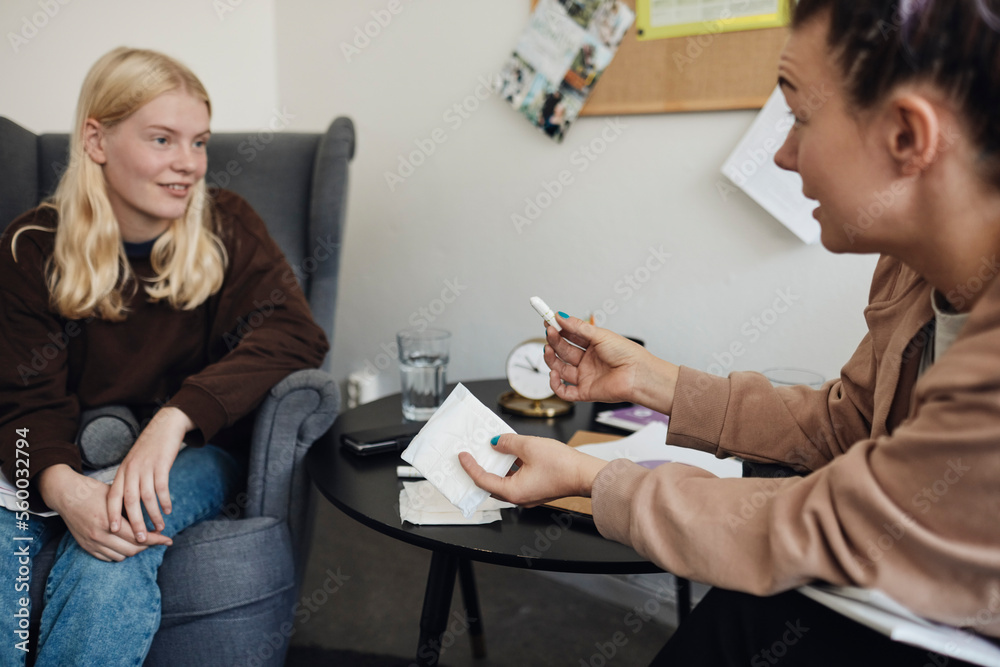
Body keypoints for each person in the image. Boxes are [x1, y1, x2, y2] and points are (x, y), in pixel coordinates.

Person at [460, 0, 1000, 664]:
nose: (783, 154)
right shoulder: (912, 270)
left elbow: (834, 523)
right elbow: (850, 422)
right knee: (747, 616)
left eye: (800, 117)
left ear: (907, 137)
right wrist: (653, 380)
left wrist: (591, 479)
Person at [0, 47, 328, 665]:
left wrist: (176, 418)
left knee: (116, 545)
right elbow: (21, 402)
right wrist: (61, 487)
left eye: (199, 142)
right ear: (96, 140)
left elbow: (294, 332)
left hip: (194, 452)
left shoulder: (226, 225)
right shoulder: (30, 248)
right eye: (162, 139)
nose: (189, 163)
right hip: (61, 452)